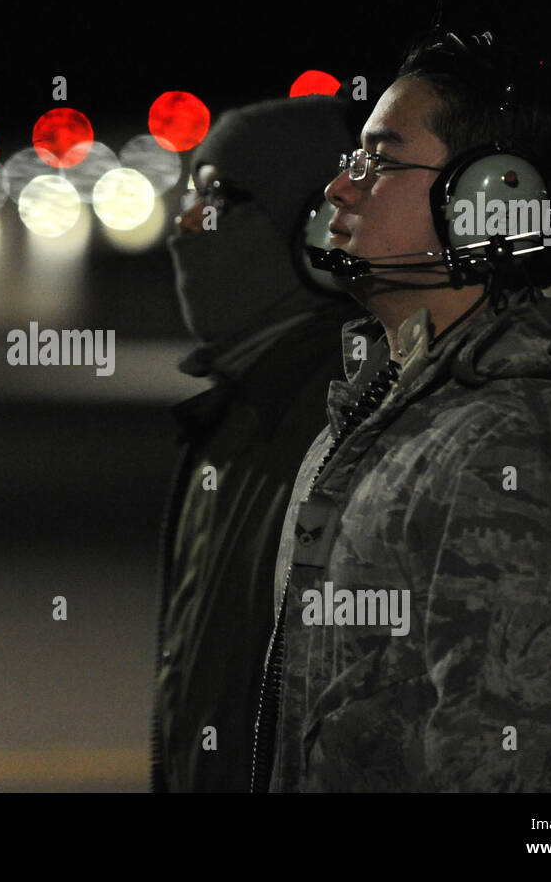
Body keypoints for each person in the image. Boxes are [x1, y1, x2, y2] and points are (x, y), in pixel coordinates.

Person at [252, 31, 551, 792]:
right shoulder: (390, 409)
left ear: (491, 200)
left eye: (381, 159)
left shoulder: (536, 455)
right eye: (352, 159)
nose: (340, 187)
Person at [153, 95, 362, 791]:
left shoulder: (344, 424)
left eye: (220, 198)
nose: (187, 224)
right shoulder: (240, 408)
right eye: (191, 194)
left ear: (321, 235)